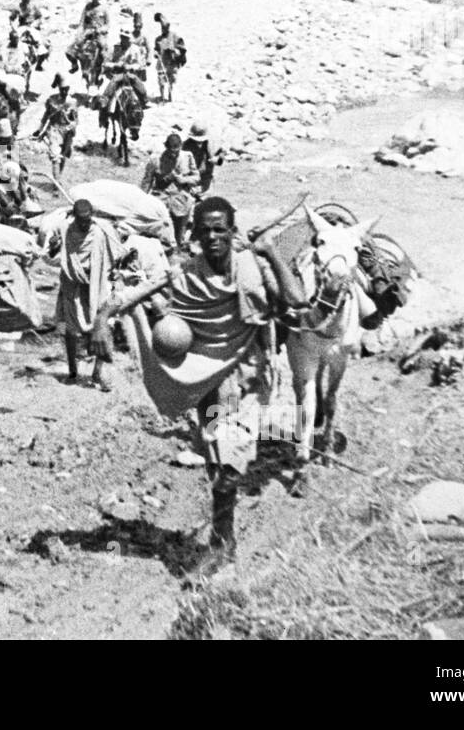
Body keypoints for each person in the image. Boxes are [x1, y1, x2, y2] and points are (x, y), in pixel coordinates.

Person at [91, 196, 306, 573]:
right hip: (208, 380)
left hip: (249, 378)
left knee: (227, 463)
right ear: (194, 233)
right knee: (214, 457)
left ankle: (222, 546)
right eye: (204, 230)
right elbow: (133, 295)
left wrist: (271, 253)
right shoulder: (186, 274)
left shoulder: (253, 266)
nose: (212, 237)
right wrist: (102, 318)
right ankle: (226, 538)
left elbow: (297, 301)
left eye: (220, 229)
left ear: (232, 231)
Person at [56, 199, 125, 388]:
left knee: (102, 326)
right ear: (74, 217)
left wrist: (118, 271)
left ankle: (97, 372)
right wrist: (55, 245)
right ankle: (72, 371)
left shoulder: (102, 231)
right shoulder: (64, 230)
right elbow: (52, 255)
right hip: (72, 285)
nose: (85, 224)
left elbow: (116, 256)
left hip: (97, 284)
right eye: (81, 220)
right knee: (71, 329)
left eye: (88, 220)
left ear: (92, 216)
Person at [141, 132, 201, 249]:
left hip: (181, 200)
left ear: (181, 146)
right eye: (171, 151)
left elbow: (196, 178)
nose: (174, 154)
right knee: (158, 232)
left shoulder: (187, 157)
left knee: (179, 234)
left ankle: (179, 249)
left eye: (176, 151)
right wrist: (141, 200)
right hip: (161, 199)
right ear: (166, 147)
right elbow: (147, 182)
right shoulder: (155, 160)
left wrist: (183, 180)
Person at [34, 76, 79, 177]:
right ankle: (56, 185)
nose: (64, 92)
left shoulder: (72, 102)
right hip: (54, 130)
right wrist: (39, 129)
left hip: (67, 132)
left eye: (66, 89)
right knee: (55, 156)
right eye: (62, 89)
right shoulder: (52, 100)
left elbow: (76, 120)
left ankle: (57, 179)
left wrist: (71, 126)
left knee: (63, 156)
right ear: (59, 88)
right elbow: (46, 116)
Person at [182, 122, 222, 194]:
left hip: (206, 182)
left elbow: (220, 159)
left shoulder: (211, 144)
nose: (199, 143)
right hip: (190, 182)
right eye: (196, 140)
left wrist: (217, 160)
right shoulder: (185, 146)